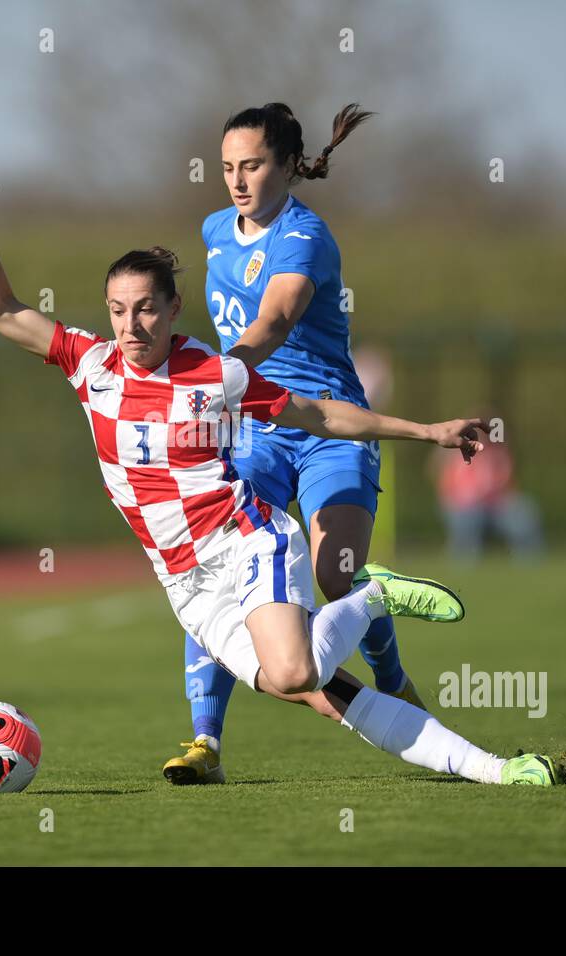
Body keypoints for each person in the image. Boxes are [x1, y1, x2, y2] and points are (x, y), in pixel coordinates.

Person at [0, 160, 561, 788]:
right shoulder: (92, 365)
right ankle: (496, 769)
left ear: (173, 308)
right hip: (184, 582)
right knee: (313, 689)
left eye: (144, 310)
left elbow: (320, 415)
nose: (130, 326)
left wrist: (427, 432)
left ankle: (374, 596)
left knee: (298, 673)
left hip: (245, 541)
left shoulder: (216, 374)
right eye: (117, 310)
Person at [168, 103, 427, 786]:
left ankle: (394, 681)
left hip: (323, 426)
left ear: (287, 165)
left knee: (336, 574)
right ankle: (205, 743)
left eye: (251, 164)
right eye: (227, 167)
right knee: (210, 571)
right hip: (254, 429)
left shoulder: (305, 235)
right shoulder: (213, 231)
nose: (236, 179)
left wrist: (218, 372)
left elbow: (276, 318)